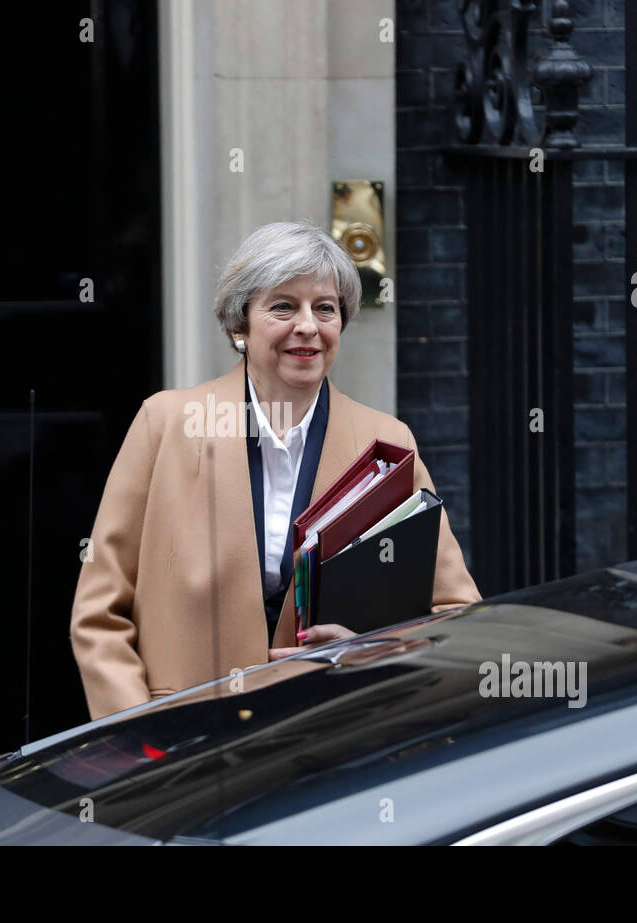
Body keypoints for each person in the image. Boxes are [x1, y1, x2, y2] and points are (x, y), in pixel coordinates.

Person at [70, 220, 481, 721]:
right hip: (185, 746)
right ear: (239, 326)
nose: (307, 325)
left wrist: (375, 654)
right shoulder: (166, 424)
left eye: (324, 308)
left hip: (332, 738)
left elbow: (453, 614)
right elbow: (99, 615)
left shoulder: (387, 444)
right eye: (283, 306)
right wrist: (138, 739)